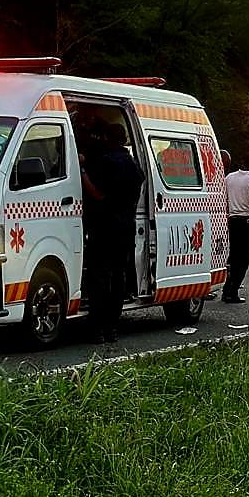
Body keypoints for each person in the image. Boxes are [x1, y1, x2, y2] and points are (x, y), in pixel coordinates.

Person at [80, 123, 144, 344]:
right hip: (126, 228)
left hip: (104, 227)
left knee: (100, 278)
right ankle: (112, 328)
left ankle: (97, 328)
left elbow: (97, 193)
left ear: (107, 138)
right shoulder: (133, 165)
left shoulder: (106, 163)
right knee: (119, 278)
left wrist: (82, 171)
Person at [223, 152, 249, 304]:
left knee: (233, 256)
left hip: (231, 220)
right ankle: (233, 291)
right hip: (246, 221)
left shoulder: (229, 178)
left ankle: (226, 289)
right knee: (243, 258)